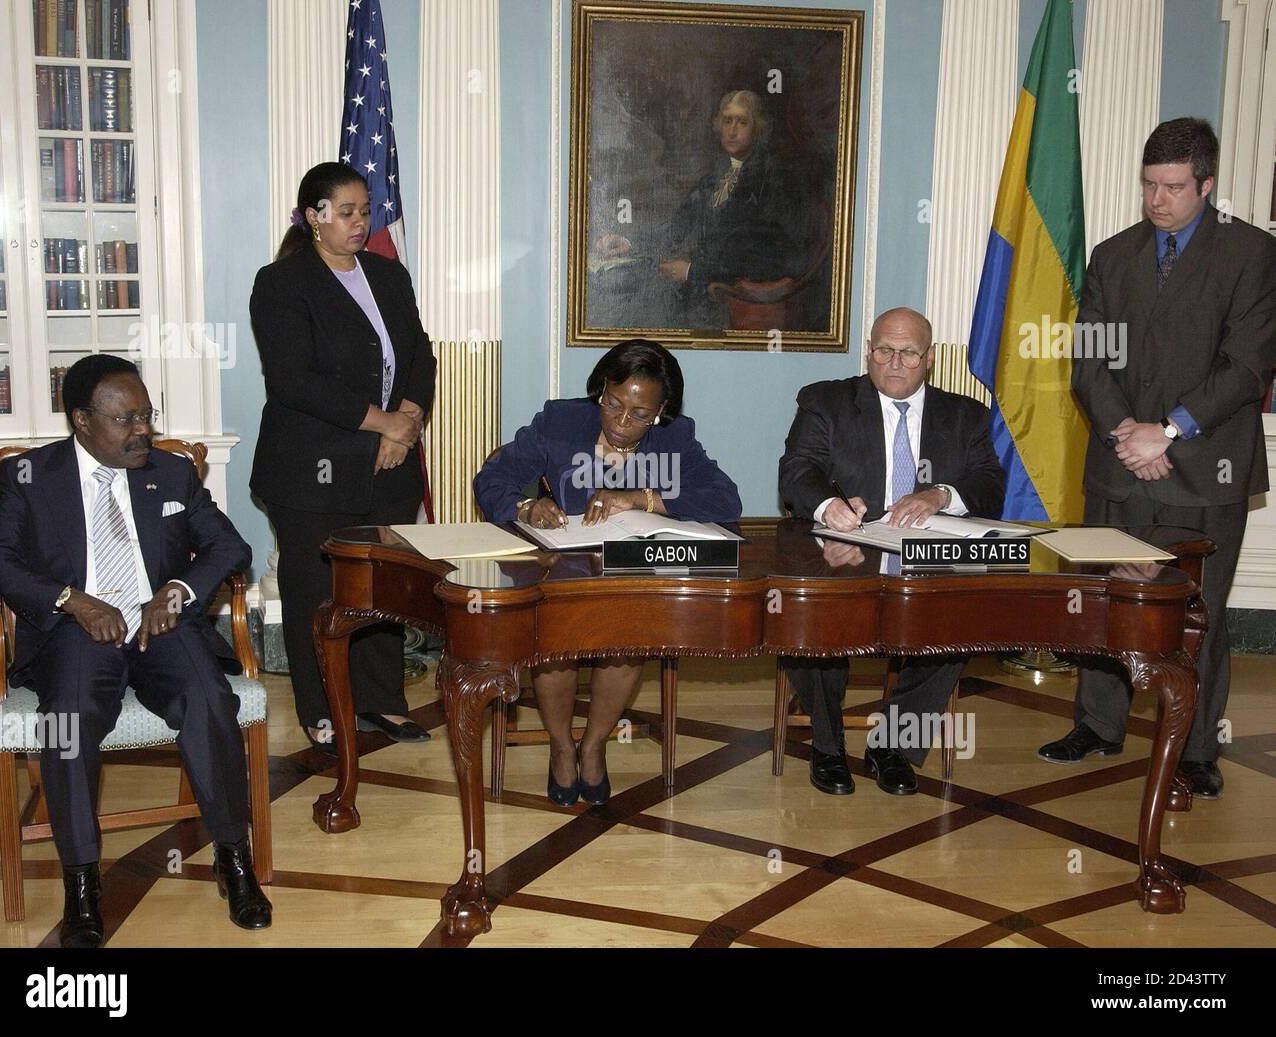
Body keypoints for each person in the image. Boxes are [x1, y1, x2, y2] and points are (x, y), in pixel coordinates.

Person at [0, 355, 271, 947]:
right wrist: (69, 599)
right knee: (69, 716)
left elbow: (229, 547)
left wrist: (179, 590)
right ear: (83, 420)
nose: (142, 430)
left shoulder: (171, 472)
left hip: (158, 624)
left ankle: (233, 860)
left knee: (208, 699)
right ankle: (82, 884)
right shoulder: (30, 476)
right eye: (125, 419)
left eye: (146, 415)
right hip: (76, 630)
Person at [1046, 118, 1276, 799]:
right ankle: (1096, 722)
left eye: (1174, 187)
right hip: (1120, 462)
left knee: (1198, 613)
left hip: (1206, 470)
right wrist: (1126, 431)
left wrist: (1167, 431)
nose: (1157, 201)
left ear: (1207, 184)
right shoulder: (1113, 256)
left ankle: (1198, 747)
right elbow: (1090, 358)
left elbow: (1246, 366)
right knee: (1106, 599)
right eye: (1148, 185)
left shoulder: (1250, 255)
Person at [474, 339, 741, 805]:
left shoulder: (675, 438)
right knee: (555, 646)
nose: (621, 422)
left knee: (625, 643)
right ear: (601, 391)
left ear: (661, 412)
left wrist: (643, 499)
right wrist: (525, 504)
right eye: (613, 404)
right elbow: (491, 478)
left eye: (640, 414)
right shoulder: (560, 422)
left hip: (633, 573)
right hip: (562, 567)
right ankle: (561, 746)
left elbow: (725, 500)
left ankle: (594, 746)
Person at [778, 308, 1005, 796]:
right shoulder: (826, 401)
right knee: (809, 617)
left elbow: (990, 484)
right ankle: (828, 744)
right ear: (869, 351)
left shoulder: (966, 414)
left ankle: (894, 746)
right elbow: (798, 470)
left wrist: (940, 494)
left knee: (956, 625)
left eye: (908, 353)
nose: (895, 364)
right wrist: (827, 506)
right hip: (844, 552)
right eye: (884, 351)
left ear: (929, 359)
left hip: (930, 558)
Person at [250, 162, 437, 753]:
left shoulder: (389, 274)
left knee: (382, 586)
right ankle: (322, 707)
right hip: (311, 469)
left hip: (388, 464)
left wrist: (402, 427)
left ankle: (382, 700)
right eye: (348, 212)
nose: (361, 222)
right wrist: (386, 422)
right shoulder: (282, 283)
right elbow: (294, 381)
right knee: (319, 593)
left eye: (366, 211)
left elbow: (420, 355)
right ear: (315, 217)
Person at [593, 90, 808, 329]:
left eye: (742, 121)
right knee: (612, 281)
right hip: (697, 281)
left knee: (642, 303)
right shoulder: (713, 179)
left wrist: (694, 271)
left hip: (723, 296)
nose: (733, 130)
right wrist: (629, 242)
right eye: (727, 120)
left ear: (758, 128)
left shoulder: (775, 180)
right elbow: (677, 228)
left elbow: (773, 258)